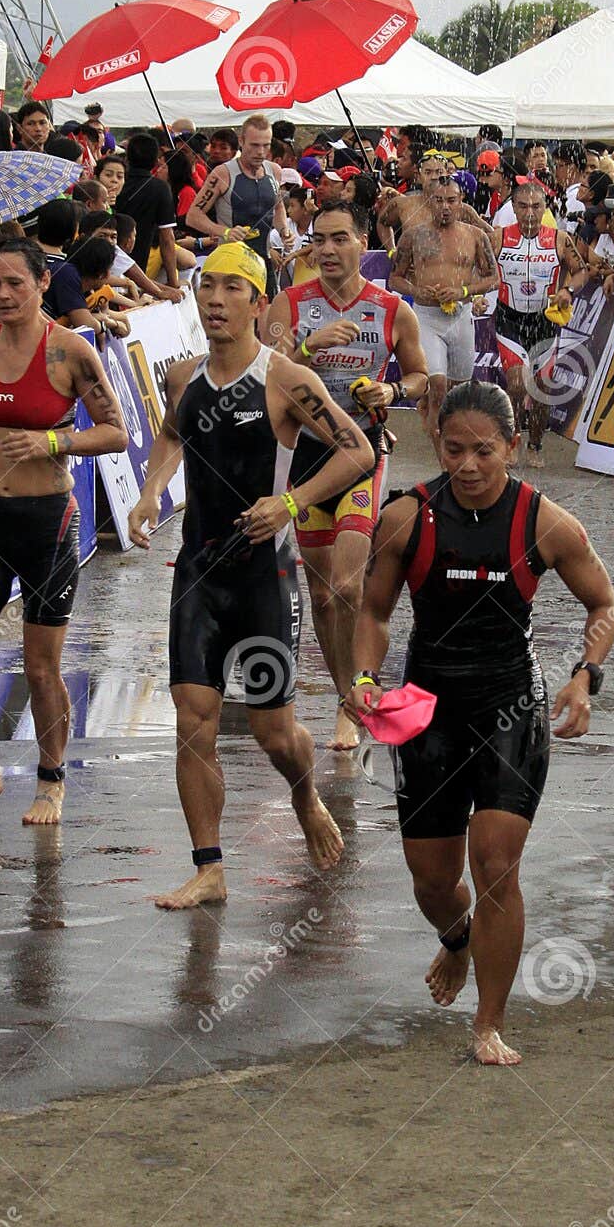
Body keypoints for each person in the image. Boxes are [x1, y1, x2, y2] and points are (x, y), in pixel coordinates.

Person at [349, 379, 614, 1065]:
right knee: (431, 880)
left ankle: (489, 1022)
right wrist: (361, 679)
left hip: (510, 702)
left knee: (497, 863)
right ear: (437, 445)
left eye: (484, 453)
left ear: (512, 449)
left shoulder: (548, 523)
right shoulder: (408, 518)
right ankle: (457, 937)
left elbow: (603, 607)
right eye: (454, 450)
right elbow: (374, 613)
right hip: (424, 704)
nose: (468, 467)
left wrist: (585, 676)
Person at [126, 242, 375, 909]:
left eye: (232, 288)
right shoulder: (182, 378)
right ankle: (209, 866)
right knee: (193, 719)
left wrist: (291, 502)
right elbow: (172, 436)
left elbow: (360, 450)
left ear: (259, 303)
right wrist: (152, 490)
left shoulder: (286, 380)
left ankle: (305, 796)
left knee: (272, 733)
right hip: (199, 573)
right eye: (206, 286)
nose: (213, 299)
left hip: (266, 577)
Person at [0, 237, 127, 825]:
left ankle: (50, 777)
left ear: (43, 283)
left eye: (16, 282)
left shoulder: (69, 354)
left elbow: (116, 432)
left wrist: (54, 441)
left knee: (40, 670)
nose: (4, 293)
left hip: (48, 523)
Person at [268, 203, 428, 751]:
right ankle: (344, 694)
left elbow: (420, 376)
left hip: (360, 454)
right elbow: (262, 367)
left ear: (364, 242)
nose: (328, 251)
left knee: (346, 584)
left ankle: (355, 695)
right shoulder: (289, 304)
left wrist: (391, 392)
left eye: (340, 239)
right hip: (306, 457)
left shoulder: (392, 309)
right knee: (320, 595)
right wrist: (308, 347)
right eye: (318, 241)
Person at [390, 181, 500, 442]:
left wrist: (463, 292)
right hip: (426, 317)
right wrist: (416, 290)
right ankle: (441, 444)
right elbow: (395, 278)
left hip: (460, 316)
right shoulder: (414, 235)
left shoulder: (475, 236)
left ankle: (440, 420)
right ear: (430, 203)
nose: (445, 207)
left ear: (461, 202)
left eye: (451, 200)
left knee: (459, 388)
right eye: (439, 201)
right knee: (437, 385)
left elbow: (493, 278)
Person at [492, 178, 585, 464]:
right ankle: (511, 440)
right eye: (523, 207)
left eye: (536, 206)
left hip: (544, 321)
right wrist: (475, 294)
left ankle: (535, 444)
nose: (530, 213)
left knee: (543, 389)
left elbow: (581, 271)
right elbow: (478, 269)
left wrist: (567, 290)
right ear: (514, 208)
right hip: (510, 320)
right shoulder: (498, 236)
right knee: (517, 386)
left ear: (545, 208)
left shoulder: (559, 238)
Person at [185, 113, 293, 294]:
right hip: (232, 262)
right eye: (254, 145)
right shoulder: (223, 173)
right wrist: (225, 232)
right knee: (238, 318)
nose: (260, 152)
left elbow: (278, 206)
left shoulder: (274, 171)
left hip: (264, 261)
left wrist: (284, 231)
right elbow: (193, 216)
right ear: (242, 141)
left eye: (265, 145)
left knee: (267, 315)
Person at [114, 133, 181, 290]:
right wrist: (173, 282)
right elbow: (167, 238)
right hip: (138, 270)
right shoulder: (160, 188)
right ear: (155, 160)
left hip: (107, 269)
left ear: (127, 158)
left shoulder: (115, 185)